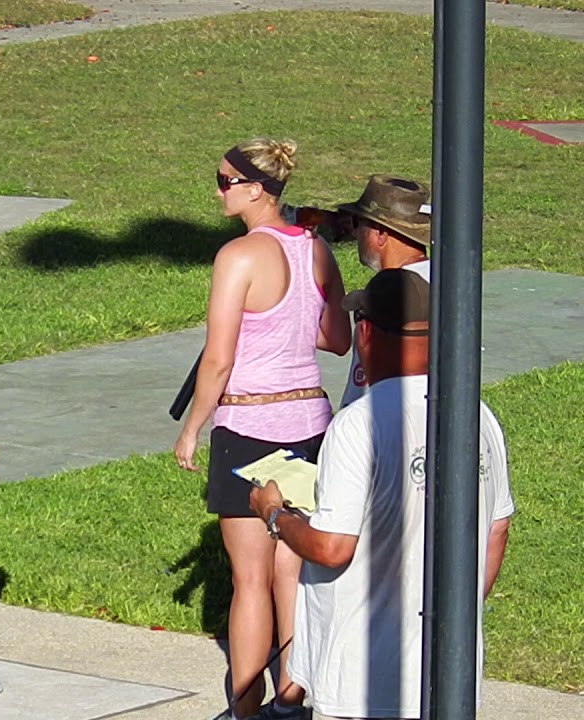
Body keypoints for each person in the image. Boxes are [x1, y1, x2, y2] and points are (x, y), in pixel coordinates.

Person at [248, 268, 514, 720]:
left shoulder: (358, 424)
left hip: (363, 681)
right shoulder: (478, 415)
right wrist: (456, 621)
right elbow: (496, 529)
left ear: (366, 332)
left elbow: (332, 547)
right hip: (447, 674)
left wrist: (275, 514)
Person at [174, 138, 351, 720]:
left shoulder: (238, 257)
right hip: (311, 420)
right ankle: (292, 696)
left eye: (225, 181)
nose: (218, 189)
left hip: (248, 423)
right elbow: (337, 338)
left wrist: (192, 428)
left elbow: (218, 360)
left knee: (249, 580)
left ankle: (246, 706)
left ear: (255, 188)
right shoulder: (316, 251)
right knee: (292, 573)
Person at [335, 175, 432, 408]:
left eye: (359, 223)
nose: (355, 234)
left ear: (380, 232)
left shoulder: (384, 299)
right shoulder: (444, 285)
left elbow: (366, 390)